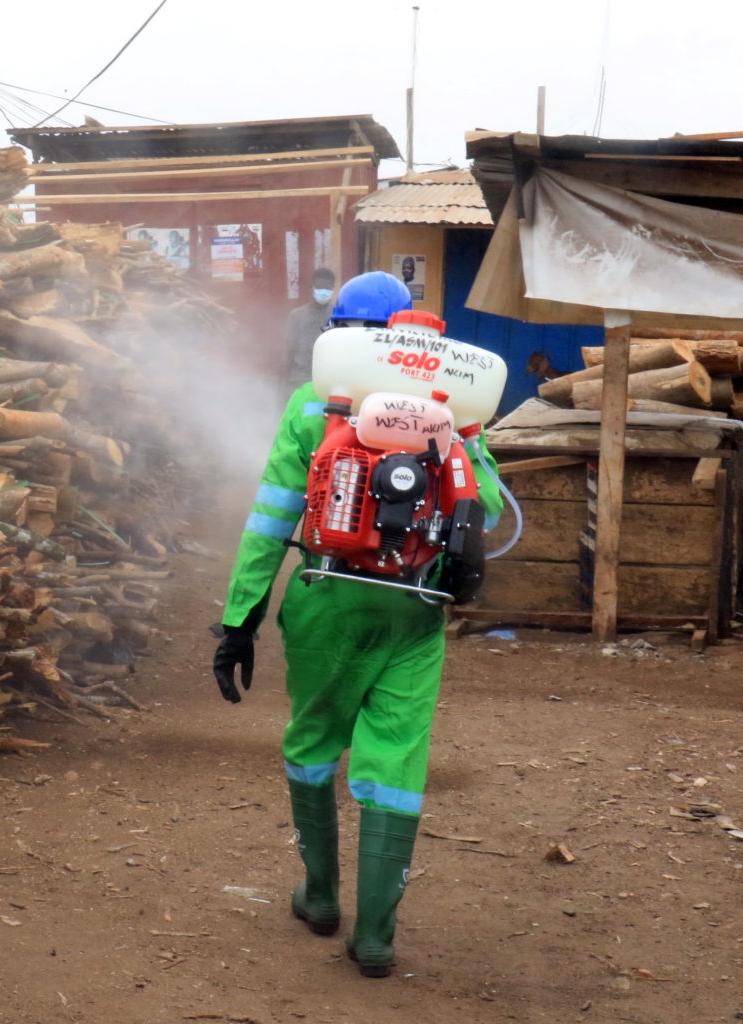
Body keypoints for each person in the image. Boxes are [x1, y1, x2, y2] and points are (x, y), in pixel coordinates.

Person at [211, 270, 503, 978]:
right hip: (415, 607)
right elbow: (487, 506)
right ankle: (375, 937)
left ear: (335, 330)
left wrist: (239, 619)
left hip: (327, 596)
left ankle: (319, 896)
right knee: (396, 758)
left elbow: (272, 518)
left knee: (313, 741)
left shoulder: (313, 404)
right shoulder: (454, 403)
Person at [283, 267, 336, 391]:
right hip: (301, 377)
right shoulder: (296, 315)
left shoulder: (338, 316)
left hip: (329, 377)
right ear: (312, 288)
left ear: (333, 288)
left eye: (327, 288)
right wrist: (285, 378)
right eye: (319, 287)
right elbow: (289, 348)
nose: (323, 291)